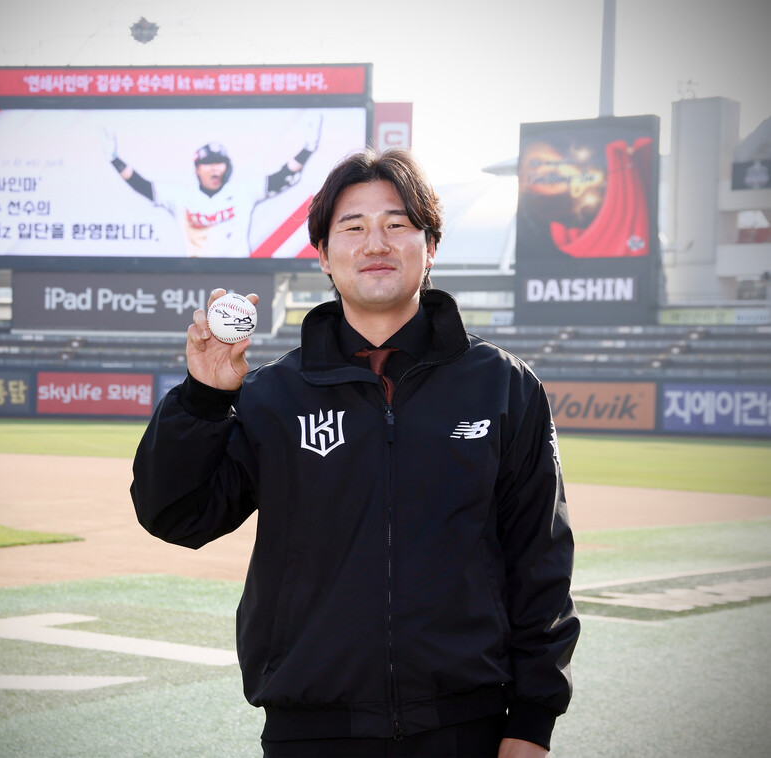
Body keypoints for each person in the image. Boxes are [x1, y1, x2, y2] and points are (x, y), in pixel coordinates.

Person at [131, 148, 579, 757]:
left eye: (397, 224)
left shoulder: (503, 386)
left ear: (429, 247)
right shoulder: (272, 395)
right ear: (323, 254)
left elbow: (540, 561)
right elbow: (176, 516)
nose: (376, 243)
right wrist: (204, 399)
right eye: (353, 227)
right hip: (310, 729)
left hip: (464, 726)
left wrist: (532, 721)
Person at [104, 114, 321, 257]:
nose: (214, 169)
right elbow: (142, 185)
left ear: (226, 166)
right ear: (197, 168)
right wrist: (114, 159)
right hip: (195, 272)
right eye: (207, 163)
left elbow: (281, 177)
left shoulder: (242, 192)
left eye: (219, 163)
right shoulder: (181, 196)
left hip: (240, 272)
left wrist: (308, 149)